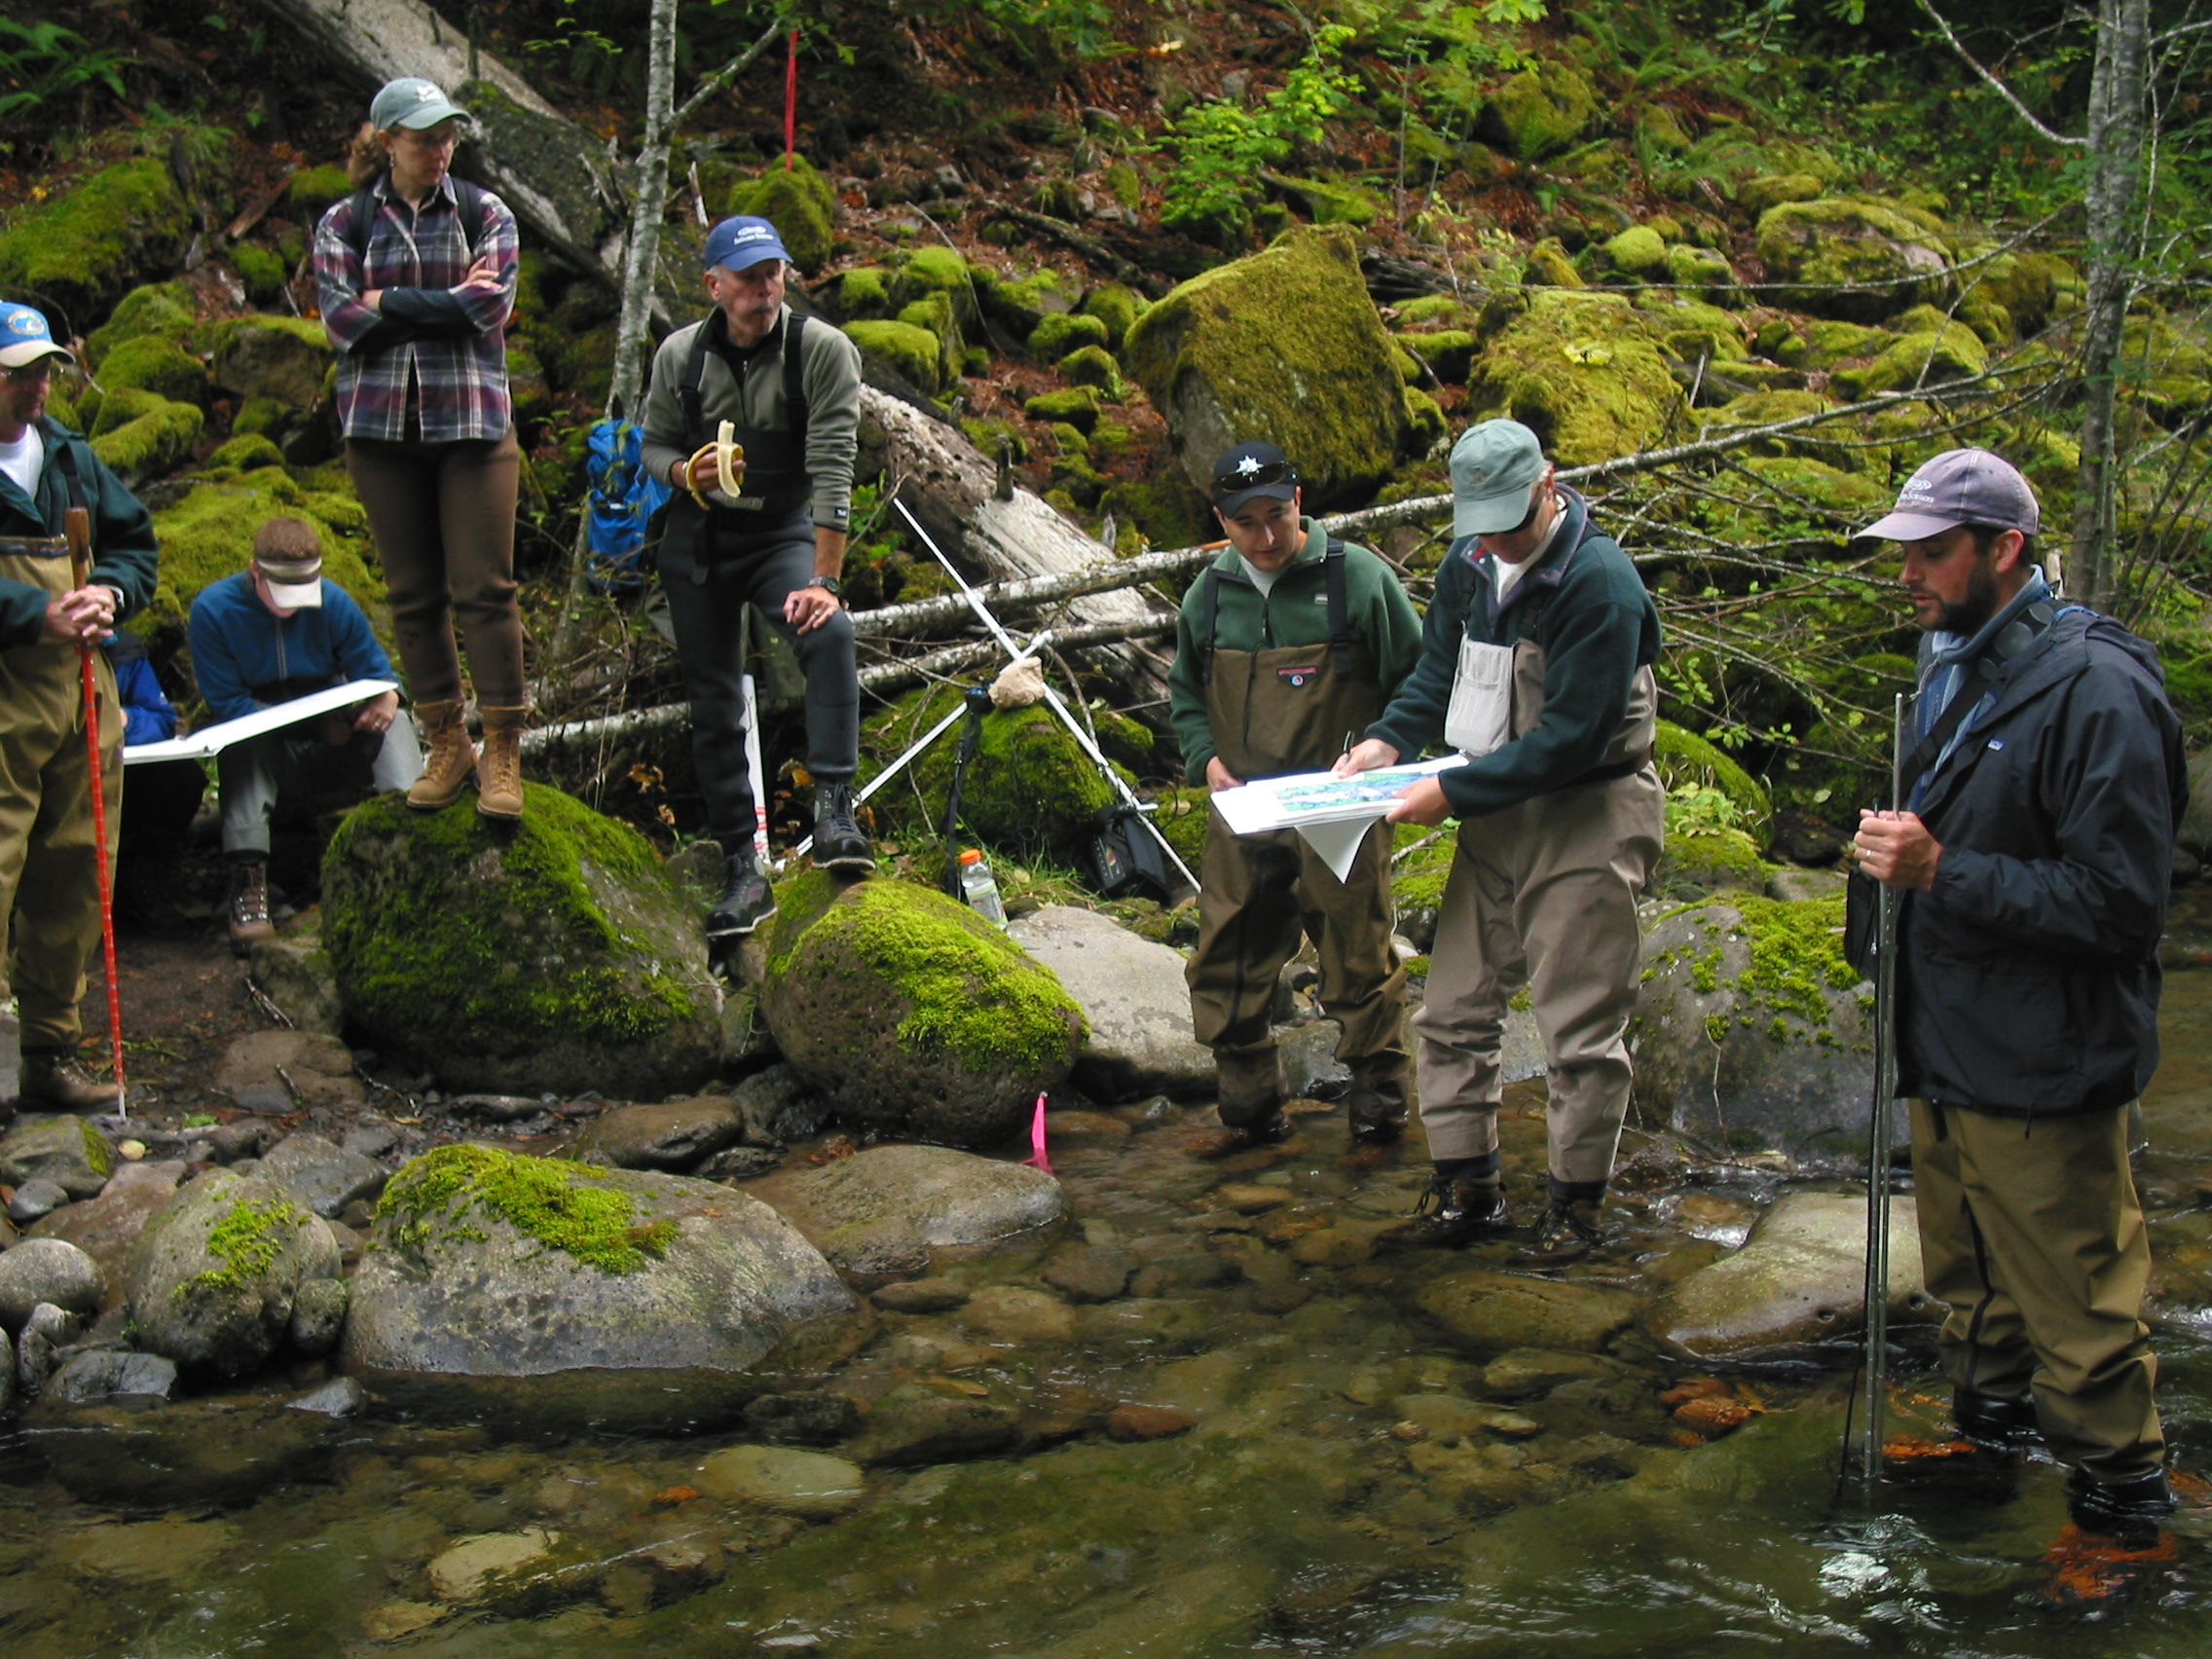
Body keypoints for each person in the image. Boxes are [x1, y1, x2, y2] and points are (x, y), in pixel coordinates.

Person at [1852, 449, 2184, 1553]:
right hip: (1948, 1039)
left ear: (2006, 549)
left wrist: (1941, 870)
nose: (1908, 575)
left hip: (2046, 1059)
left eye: (1932, 552)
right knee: (1972, 1286)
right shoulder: (1951, 660)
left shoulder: (2099, 690)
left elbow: (2122, 908)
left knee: (2080, 1306)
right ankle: (1984, 1449)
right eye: (1902, 552)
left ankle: (2123, 1517)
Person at [1335, 419, 1663, 1262]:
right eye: (1480, 526)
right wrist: (1387, 743)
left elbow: (1573, 739)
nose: (1496, 543)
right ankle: (1466, 1191)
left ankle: (1576, 1212)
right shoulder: (1469, 563)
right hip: (1493, 810)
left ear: (1548, 486)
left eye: (1509, 524)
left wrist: (1448, 793)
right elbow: (1435, 672)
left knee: (1579, 1033)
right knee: (1451, 1012)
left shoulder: (1601, 586)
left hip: (1588, 811)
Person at [1168, 440, 1423, 1146]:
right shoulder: (1207, 598)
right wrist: (1204, 759)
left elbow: (1420, 677)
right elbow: (1186, 696)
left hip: (1340, 807)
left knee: (1358, 952)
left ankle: (1379, 1109)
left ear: (1299, 503)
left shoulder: (1358, 578)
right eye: (1246, 523)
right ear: (1222, 522)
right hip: (1245, 807)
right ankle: (1249, 1105)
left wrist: (1389, 743)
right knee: (1226, 952)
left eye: (1277, 516)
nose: (1266, 537)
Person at [641, 213, 870, 950]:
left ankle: (834, 811)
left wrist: (826, 580)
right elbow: (651, 447)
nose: (765, 289)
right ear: (715, 285)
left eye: (774, 273)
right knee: (714, 703)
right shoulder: (681, 356)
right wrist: (687, 472)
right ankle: (742, 865)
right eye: (748, 278)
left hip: (781, 533)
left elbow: (834, 464)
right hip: (700, 540)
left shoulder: (820, 350)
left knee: (828, 633)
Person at [313, 77, 529, 822]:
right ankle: (446, 740)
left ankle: (503, 748)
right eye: (424, 138)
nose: (439, 151)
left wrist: (389, 302)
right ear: (387, 142)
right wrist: (441, 305)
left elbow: (488, 307)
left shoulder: (484, 213)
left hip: (473, 424)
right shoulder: (344, 223)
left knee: (485, 588)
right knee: (412, 593)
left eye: (447, 137)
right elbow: (342, 322)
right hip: (380, 430)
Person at [0, 301, 158, 1113]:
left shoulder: (69, 456)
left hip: (80, 694)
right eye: (19, 374)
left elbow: (135, 545)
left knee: (75, 870)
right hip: (7, 693)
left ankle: (47, 1057)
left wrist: (109, 594)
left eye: (45, 371)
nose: (37, 388)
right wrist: (34, 612)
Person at [189, 517, 423, 952]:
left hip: (336, 747)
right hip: (268, 755)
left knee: (396, 723)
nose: (293, 607)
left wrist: (388, 697)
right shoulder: (214, 612)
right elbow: (229, 705)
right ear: (255, 571)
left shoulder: (334, 603)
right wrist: (316, 725)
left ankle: (414, 846)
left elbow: (377, 675)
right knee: (241, 738)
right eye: (282, 593)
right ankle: (249, 884)